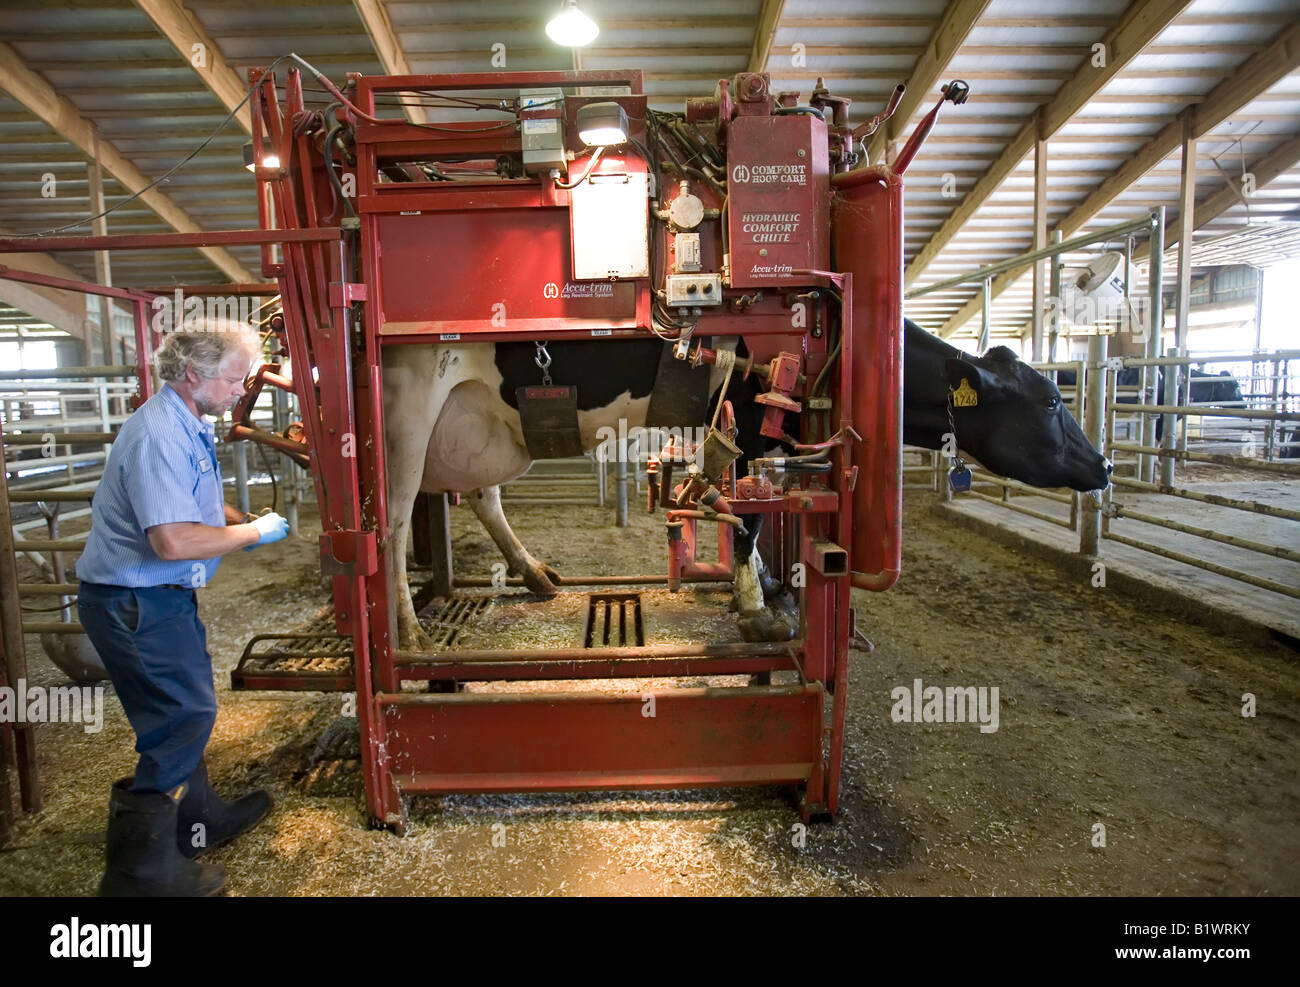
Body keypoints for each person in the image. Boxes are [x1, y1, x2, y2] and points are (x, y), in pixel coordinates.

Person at [76, 324, 291, 896]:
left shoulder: (189, 422)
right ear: (193, 374)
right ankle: (138, 876)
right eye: (233, 378)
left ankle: (196, 822)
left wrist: (236, 518)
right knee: (182, 718)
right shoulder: (159, 434)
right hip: (136, 600)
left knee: (188, 709)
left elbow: (192, 496)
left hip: (161, 597)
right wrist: (255, 537)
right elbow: (171, 540)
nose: (240, 389)